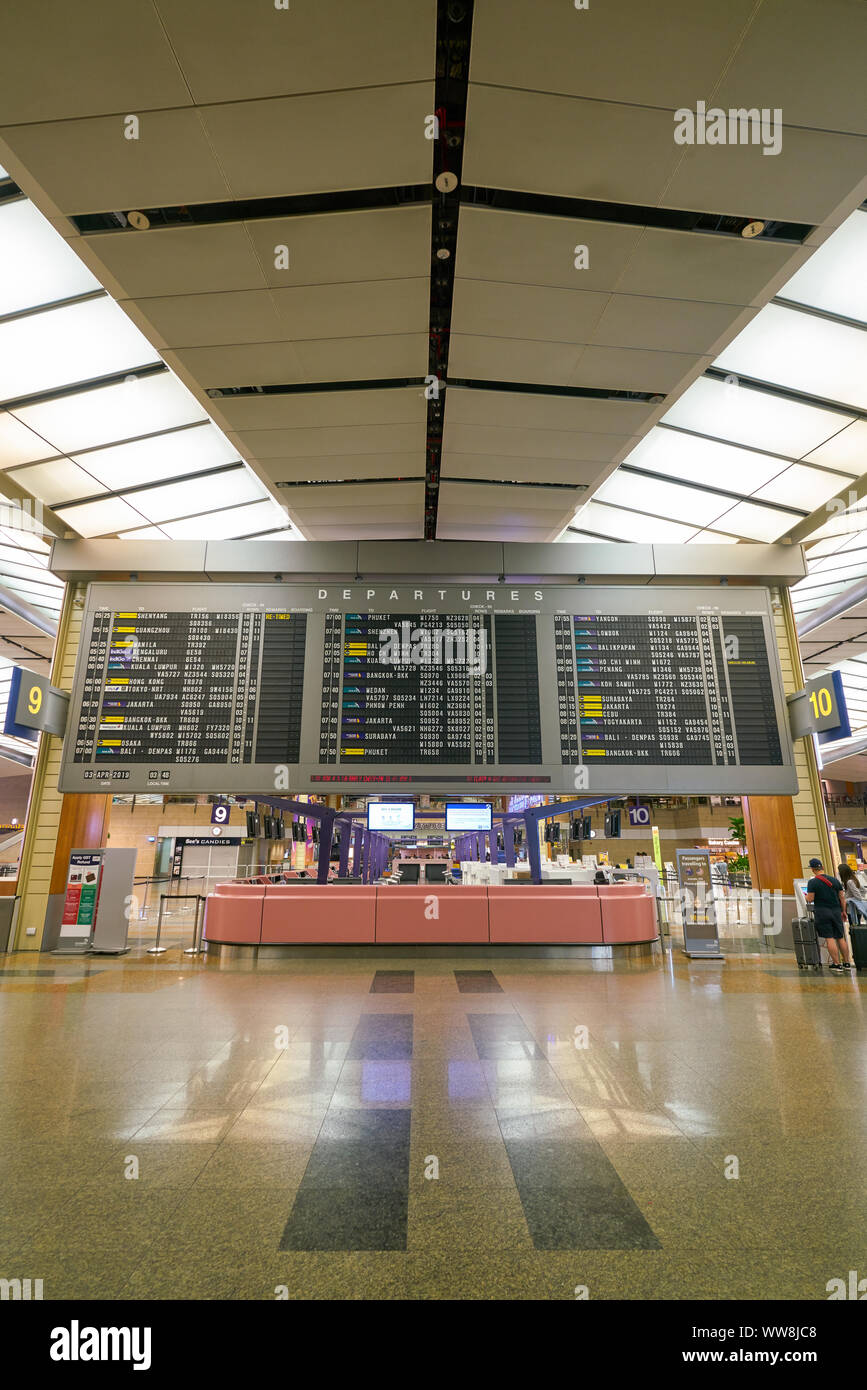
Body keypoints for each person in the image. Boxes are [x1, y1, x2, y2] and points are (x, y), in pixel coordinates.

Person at [805, 858, 853, 972]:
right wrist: (844, 911)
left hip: (822, 912)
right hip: (836, 911)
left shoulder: (813, 882)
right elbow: (842, 897)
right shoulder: (835, 880)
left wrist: (806, 897)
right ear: (822, 867)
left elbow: (810, 898)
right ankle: (846, 963)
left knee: (829, 938)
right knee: (840, 937)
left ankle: (837, 964)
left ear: (812, 869)